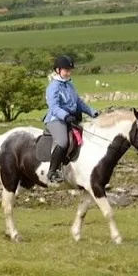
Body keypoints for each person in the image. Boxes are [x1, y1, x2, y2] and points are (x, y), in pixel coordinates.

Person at [43, 55, 99, 184]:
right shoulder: (53, 87)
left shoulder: (69, 84)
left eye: (70, 70)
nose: (68, 73)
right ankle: (52, 171)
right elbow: (54, 107)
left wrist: (93, 112)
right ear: (58, 70)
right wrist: (66, 116)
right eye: (66, 70)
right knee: (63, 142)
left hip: (72, 118)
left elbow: (78, 102)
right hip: (56, 119)